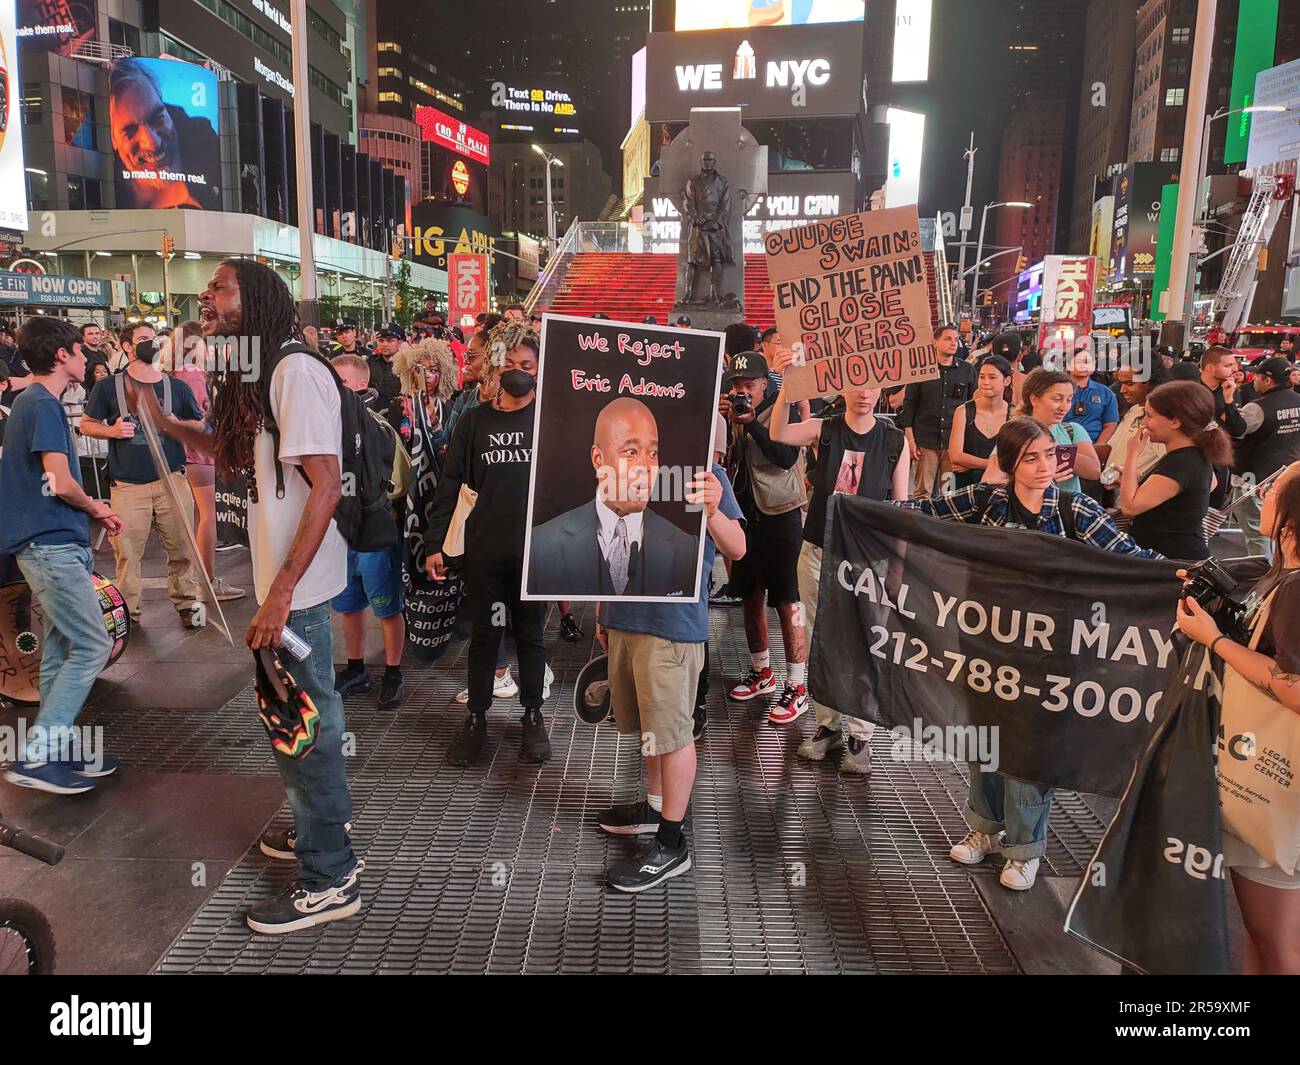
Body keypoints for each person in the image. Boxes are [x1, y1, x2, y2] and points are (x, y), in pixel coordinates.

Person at [131, 258, 361, 933]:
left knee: (305, 728)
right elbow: (236, 456)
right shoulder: (260, 372)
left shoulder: (292, 371)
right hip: (283, 590)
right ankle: (319, 834)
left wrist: (281, 592)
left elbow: (326, 484)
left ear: (254, 299)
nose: (207, 295)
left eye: (220, 287)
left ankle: (330, 876)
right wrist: (171, 428)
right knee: (292, 720)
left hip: (300, 595)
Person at [896, 418, 1159, 890]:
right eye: (1030, 458)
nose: (1043, 467)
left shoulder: (1076, 510)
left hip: (1052, 656)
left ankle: (1024, 848)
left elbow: (1134, 559)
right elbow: (916, 513)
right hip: (986, 647)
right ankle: (985, 829)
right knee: (985, 739)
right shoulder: (984, 499)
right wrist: (853, 509)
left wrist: (1190, 576)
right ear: (1009, 463)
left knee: (1032, 750)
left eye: (1051, 455)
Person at [594, 461, 746, 892]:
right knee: (649, 725)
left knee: (675, 732)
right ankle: (656, 808)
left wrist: (714, 510)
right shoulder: (624, 469)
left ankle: (671, 841)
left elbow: (737, 549)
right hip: (626, 618)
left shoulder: (706, 470)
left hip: (674, 625)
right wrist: (604, 611)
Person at [1176, 461, 1300, 974]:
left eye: (1274, 490)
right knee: (1262, 935)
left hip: (1273, 784)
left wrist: (1216, 640)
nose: (1262, 494)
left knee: (1275, 941)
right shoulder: (1283, 576)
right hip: (1271, 781)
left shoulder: (1296, 588)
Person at [768, 346, 910, 772]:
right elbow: (778, 433)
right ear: (842, 386)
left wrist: (898, 567)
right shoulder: (824, 430)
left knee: (865, 641)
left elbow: (901, 507)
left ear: (883, 388)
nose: (864, 393)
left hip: (870, 558)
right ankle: (827, 725)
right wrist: (787, 388)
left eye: (872, 384)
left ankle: (859, 735)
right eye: (856, 383)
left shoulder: (895, 440)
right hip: (817, 550)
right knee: (819, 638)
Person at [0, 317, 124, 794]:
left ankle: (62, 748)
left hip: (49, 544)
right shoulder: (43, 405)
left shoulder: (30, 401)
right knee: (92, 644)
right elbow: (61, 479)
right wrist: (98, 508)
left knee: (62, 649)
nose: (84, 356)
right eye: (78, 349)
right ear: (61, 356)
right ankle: (36, 758)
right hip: (50, 546)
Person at [424, 321, 551, 766]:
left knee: (532, 637)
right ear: (498, 366)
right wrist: (435, 541)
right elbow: (451, 483)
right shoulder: (474, 421)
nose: (519, 371)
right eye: (511, 363)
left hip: (536, 555)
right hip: (484, 552)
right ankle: (476, 717)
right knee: (485, 636)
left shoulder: (553, 420)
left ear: (539, 369)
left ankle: (532, 715)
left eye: (528, 365)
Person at [80, 320, 205, 627]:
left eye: (154, 339)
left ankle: (188, 604)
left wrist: (178, 423)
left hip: (172, 482)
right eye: (144, 339)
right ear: (127, 346)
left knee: (182, 548)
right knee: (127, 554)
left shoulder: (176, 387)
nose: (153, 344)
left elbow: (200, 425)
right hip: (127, 486)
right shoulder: (107, 387)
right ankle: (128, 614)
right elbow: (85, 424)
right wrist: (111, 430)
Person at [716, 351, 809, 724]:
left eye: (749, 386)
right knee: (749, 594)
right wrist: (726, 420)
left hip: (781, 513)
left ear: (765, 382)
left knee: (789, 600)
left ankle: (798, 685)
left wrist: (752, 422)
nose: (743, 393)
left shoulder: (781, 405)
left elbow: (785, 457)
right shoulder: (732, 409)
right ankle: (762, 671)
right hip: (743, 512)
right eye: (737, 386)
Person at [528, 397, 699, 598]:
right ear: (598, 459)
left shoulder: (687, 549)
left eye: (653, 453)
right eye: (631, 452)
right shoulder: (540, 545)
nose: (646, 467)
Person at [328, 355, 406, 712]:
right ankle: (356, 668)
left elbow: (401, 482)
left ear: (361, 384)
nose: (334, 387)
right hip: (337, 532)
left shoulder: (378, 427)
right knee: (348, 604)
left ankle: (393, 671)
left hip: (373, 532)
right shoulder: (325, 423)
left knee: (387, 606)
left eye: (342, 381)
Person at [166, 319, 244, 602]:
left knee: (191, 519)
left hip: (178, 453)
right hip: (197, 453)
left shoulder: (171, 372)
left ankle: (196, 581)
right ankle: (207, 581)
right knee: (207, 517)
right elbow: (203, 416)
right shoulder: (195, 375)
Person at [1121, 381, 1229, 561]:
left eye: (1149, 416)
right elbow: (1208, 485)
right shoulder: (1193, 454)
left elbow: (1130, 507)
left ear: (1175, 422)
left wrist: (1132, 454)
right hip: (1178, 557)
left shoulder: (1182, 462)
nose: (1145, 423)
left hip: (1173, 562)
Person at [109, 58, 221, 210]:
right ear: (112, 138)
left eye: (157, 118)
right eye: (130, 131)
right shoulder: (105, 181)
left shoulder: (204, 141)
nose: (153, 143)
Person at [990, 368, 1099, 495]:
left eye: (1069, 400)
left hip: (1068, 510)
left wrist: (1055, 451)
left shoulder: (1072, 430)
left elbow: (1094, 471)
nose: (1064, 407)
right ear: (1034, 399)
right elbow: (991, 480)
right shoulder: (1016, 434)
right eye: (1057, 399)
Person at [1233, 357, 1300, 559]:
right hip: (1288, 477)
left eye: (1258, 376)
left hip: (1253, 478)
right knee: (1284, 532)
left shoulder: (1256, 408)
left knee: (1258, 532)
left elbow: (1234, 432)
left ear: (1268, 380)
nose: (1253, 380)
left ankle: (1261, 578)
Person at [898, 324, 975, 497]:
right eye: (947, 339)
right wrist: (910, 440)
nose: (953, 343)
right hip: (926, 440)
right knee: (922, 493)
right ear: (935, 342)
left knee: (949, 493)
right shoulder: (922, 369)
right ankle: (918, 523)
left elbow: (973, 406)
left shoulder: (967, 370)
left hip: (953, 443)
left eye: (956, 339)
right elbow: (909, 405)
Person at [948, 355, 1013, 490]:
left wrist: (970, 463)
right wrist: (994, 464)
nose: (985, 382)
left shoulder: (1015, 415)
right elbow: (955, 455)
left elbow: (1014, 460)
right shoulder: (963, 411)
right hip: (962, 486)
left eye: (992, 377)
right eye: (982, 377)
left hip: (999, 487)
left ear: (1006, 381)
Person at [1064, 345, 1119, 499]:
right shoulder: (1059, 390)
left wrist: (1095, 448)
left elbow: (1110, 424)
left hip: (1094, 449)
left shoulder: (1105, 392)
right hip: (1064, 447)